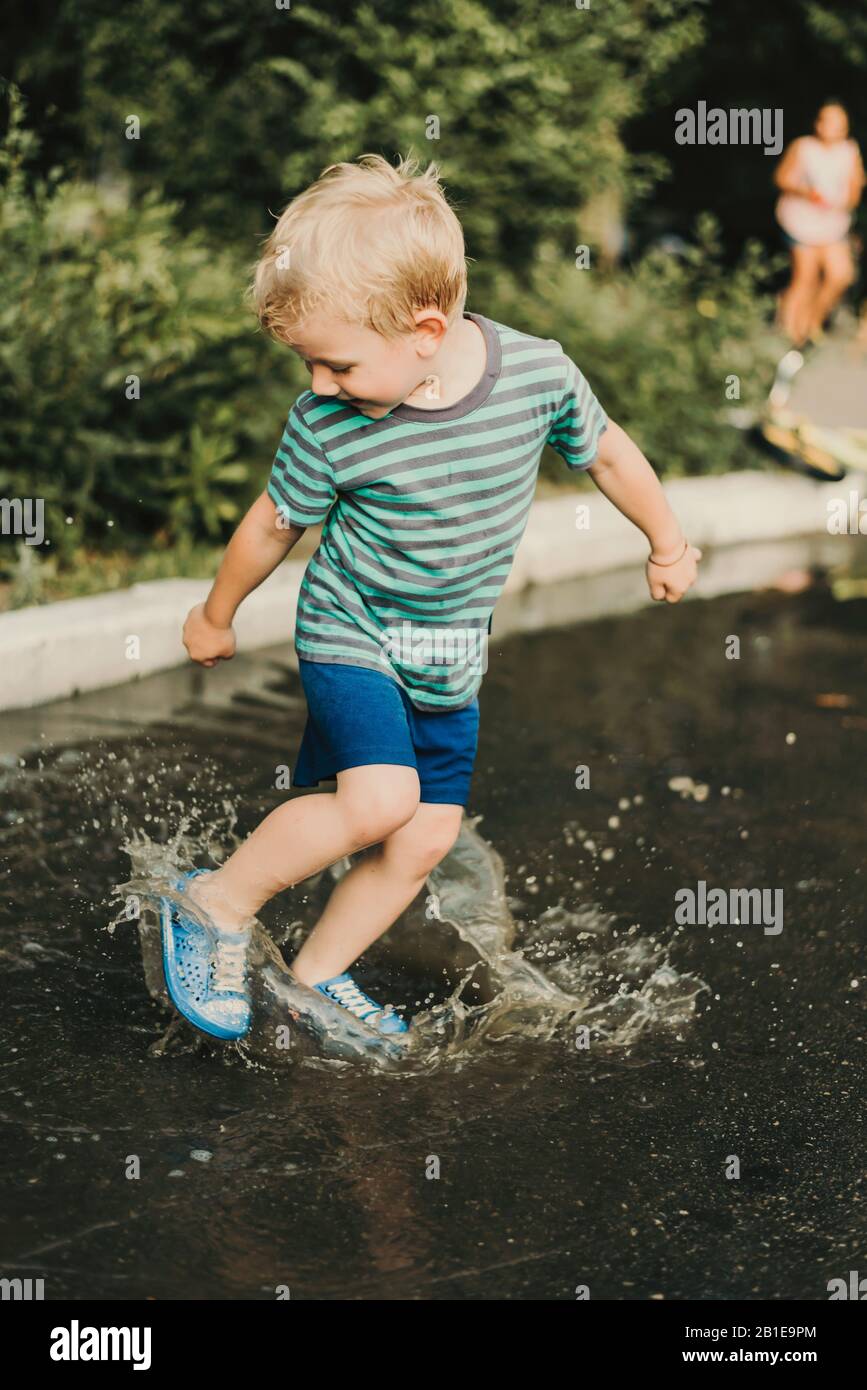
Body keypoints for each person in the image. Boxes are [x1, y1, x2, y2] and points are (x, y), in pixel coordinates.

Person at [160, 154, 701, 1049]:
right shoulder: (327, 424)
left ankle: (316, 974)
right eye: (308, 365)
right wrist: (216, 613)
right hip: (353, 632)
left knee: (420, 838)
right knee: (377, 802)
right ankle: (214, 901)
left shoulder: (535, 377)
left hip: (450, 658)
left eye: (333, 363)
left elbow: (605, 452)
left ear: (424, 328)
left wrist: (667, 541)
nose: (318, 386)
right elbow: (270, 526)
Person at [774, 100, 865, 347]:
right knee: (806, 277)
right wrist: (806, 192)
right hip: (801, 222)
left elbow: (856, 188)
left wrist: (845, 201)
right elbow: (782, 178)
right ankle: (791, 334)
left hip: (832, 224)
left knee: (841, 274)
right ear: (818, 124)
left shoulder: (850, 151)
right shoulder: (803, 147)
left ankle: (812, 321)